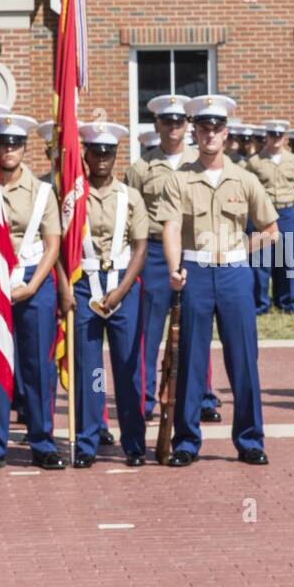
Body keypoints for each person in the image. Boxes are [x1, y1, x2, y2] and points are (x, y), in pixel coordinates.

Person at [157, 95, 278, 466]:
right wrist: (175, 268)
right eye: (204, 128)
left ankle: (250, 440)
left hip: (234, 275)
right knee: (190, 359)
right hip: (194, 272)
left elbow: (271, 229)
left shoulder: (245, 179)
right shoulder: (179, 179)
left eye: (216, 128)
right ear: (195, 132)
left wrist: (241, 249)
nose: (210, 134)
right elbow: (172, 226)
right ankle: (186, 442)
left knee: (243, 359)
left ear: (226, 133)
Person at [0, 108, 63, 470]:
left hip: (33, 282)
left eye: (16, 144)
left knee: (37, 364)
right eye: (3, 143)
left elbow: (53, 244)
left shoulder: (41, 191)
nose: (8, 150)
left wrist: (34, 285)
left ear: (24, 148)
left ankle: (42, 440)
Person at [126, 94, 221, 423]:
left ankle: (203, 396)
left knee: (197, 327)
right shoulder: (141, 168)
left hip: (193, 250)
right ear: (157, 124)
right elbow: (132, 213)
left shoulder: (202, 161)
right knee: (149, 329)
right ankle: (145, 397)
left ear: (188, 125)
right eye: (167, 121)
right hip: (153, 252)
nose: (174, 127)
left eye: (180, 121)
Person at [61, 122, 150, 467]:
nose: (101, 158)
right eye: (95, 151)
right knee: (91, 372)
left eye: (108, 152)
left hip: (122, 286)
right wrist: (65, 289)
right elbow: (58, 244)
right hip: (85, 287)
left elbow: (141, 249)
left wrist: (122, 291)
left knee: (128, 370)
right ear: (84, 153)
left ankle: (134, 443)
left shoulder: (131, 196)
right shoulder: (73, 196)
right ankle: (87, 441)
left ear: (116, 156)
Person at [247, 118, 294, 314]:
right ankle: (261, 303)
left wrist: (286, 198)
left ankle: (289, 302)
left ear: (285, 138)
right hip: (263, 213)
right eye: (272, 135)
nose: (275, 139)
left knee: (290, 258)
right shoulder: (254, 162)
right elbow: (249, 188)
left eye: (279, 135)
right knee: (261, 259)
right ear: (266, 136)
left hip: (287, 211)